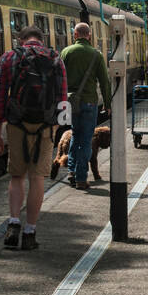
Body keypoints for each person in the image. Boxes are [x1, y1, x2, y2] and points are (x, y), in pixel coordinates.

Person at [0, 25, 67, 250]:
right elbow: (62, 99)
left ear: (21, 39)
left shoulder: (9, 58)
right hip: (45, 127)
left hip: (17, 125)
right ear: (41, 39)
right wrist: (55, 128)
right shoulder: (56, 59)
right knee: (37, 178)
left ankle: (14, 223)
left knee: (17, 176)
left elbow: (0, 98)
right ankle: (30, 232)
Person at [60, 22, 112, 190]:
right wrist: (107, 104)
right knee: (86, 140)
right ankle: (81, 178)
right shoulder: (96, 55)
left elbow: (59, 78)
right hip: (89, 102)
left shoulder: (66, 52)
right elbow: (104, 82)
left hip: (71, 102)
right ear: (89, 36)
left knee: (75, 135)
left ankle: (71, 171)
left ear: (75, 35)